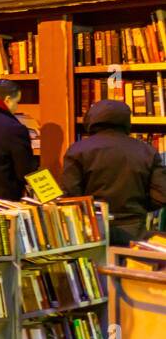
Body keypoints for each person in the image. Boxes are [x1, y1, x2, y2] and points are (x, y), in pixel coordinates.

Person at [61, 99, 166, 244]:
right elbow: (161, 195)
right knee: (131, 264)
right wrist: (138, 207)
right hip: (132, 224)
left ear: (91, 120)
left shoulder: (77, 150)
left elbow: (70, 194)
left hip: (92, 225)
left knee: (96, 265)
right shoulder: (147, 151)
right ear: (126, 121)